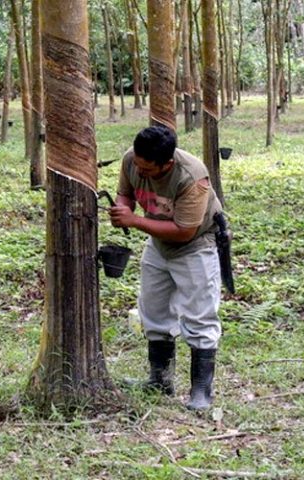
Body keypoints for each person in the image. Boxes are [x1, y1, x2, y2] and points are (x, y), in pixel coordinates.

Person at [109, 125, 223, 411]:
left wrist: (134, 221)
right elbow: (125, 193)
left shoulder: (192, 178)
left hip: (196, 245)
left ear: (167, 163)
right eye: (138, 165)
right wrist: (122, 210)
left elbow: (185, 231)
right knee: (154, 310)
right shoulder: (131, 160)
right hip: (158, 244)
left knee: (199, 316)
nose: (141, 172)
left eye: (148, 170)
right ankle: (160, 380)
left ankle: (201, 391)